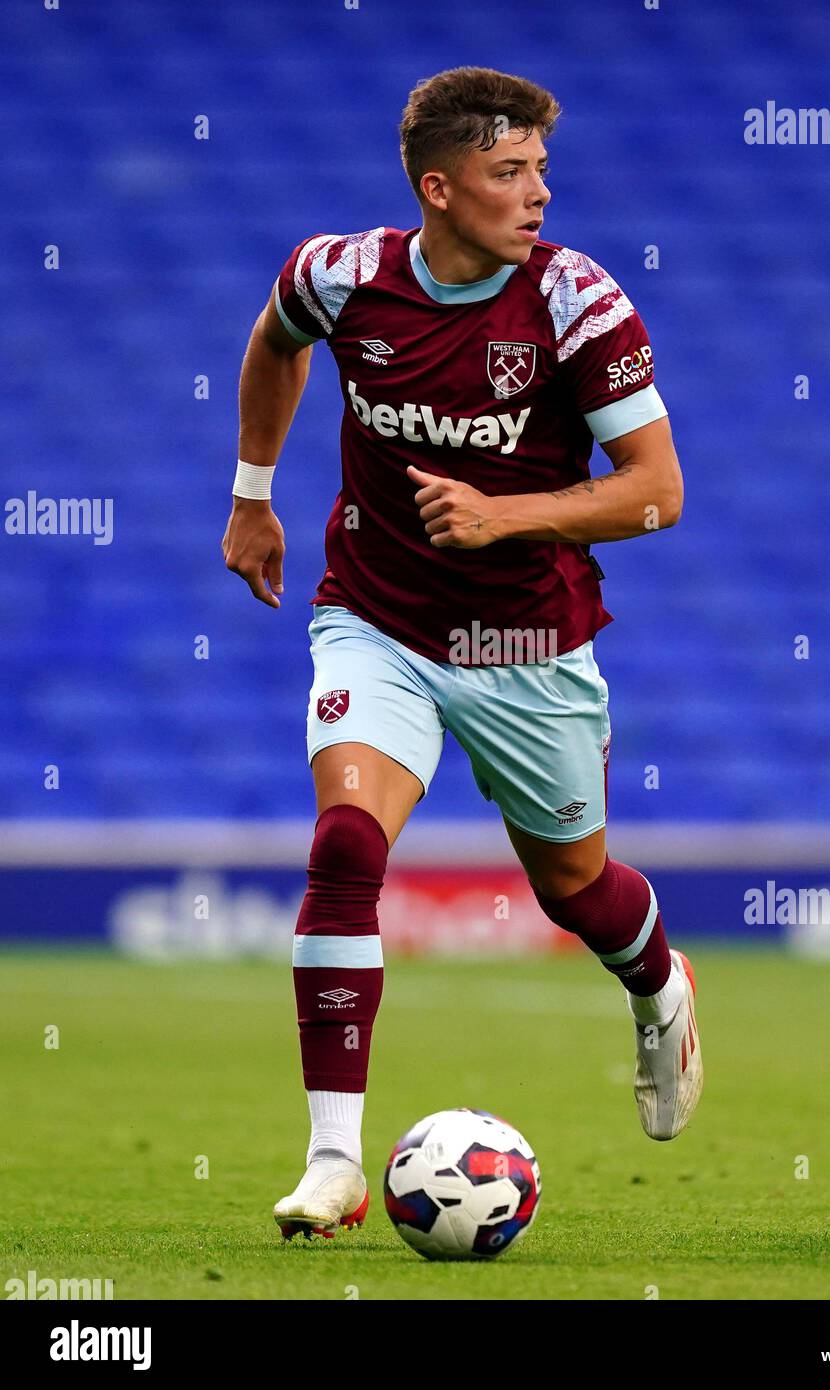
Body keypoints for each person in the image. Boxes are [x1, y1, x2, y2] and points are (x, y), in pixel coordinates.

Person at [221, 65, 702, 1241]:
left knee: (575, 888)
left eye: (540, 168)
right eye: (508, 172)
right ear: (439, 189)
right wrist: (252, 491)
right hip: (375, 612)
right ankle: (333, 1158)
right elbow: (277, 340)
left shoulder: (576, 304)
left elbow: (658, 494)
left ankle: (660, 988)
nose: (538, 192)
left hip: (527, 638)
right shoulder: (340, 274)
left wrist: (505, 513)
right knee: (343, 841)